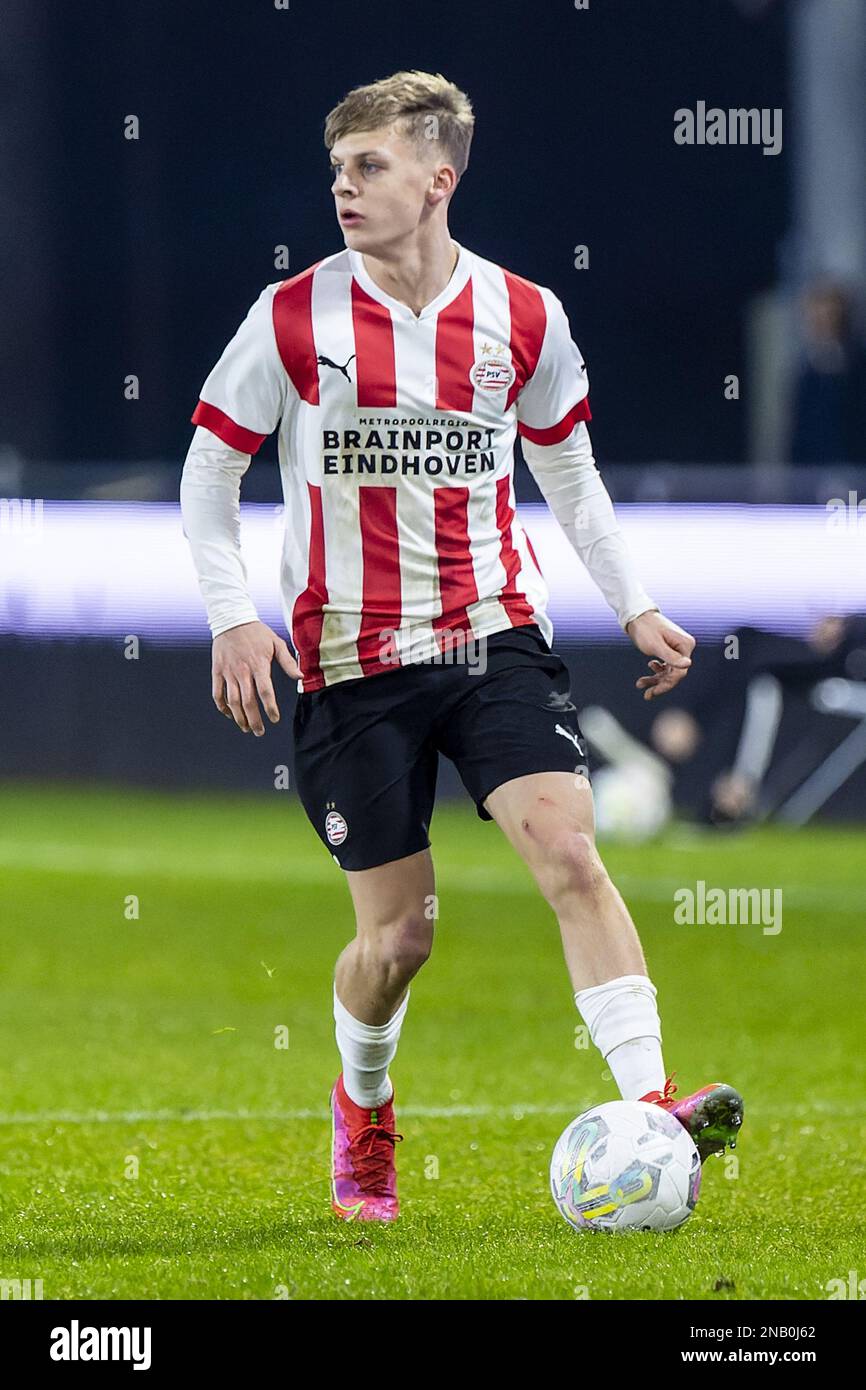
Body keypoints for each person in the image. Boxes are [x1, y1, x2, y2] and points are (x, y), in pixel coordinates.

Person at [180, 70, 743, 1223]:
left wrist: (633, 603)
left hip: (493, 634)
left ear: (439, 179)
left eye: (368, 166)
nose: (343, 186)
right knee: (398, 939)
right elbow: (209, 468)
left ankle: (650, 1101)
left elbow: (568, 471)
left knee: (569, 852)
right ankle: (365, 1106)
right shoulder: (291, 317)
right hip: (347, 662)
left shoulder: (524, 315)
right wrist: (232, 612)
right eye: (337, 168)